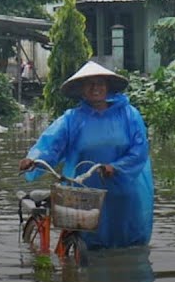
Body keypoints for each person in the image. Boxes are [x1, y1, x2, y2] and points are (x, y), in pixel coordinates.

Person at [18, 60, 154, 250]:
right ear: (82, 90)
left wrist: (116, 167)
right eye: (89, 83)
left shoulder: (129, 115)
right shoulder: (72, 119)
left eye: (99, 83)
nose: (95, 87)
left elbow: (139, 151)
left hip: (125, 189)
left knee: (129, 245)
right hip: (87, 189)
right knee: (88, 244)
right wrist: (33, 159)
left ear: (108, 87)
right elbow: (51, 144)